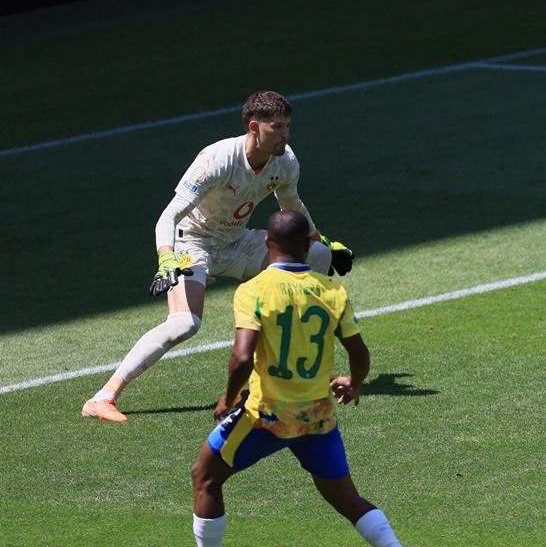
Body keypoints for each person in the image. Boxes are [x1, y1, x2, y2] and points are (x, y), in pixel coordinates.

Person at [168, 210, 429, 547]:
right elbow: (359, 353)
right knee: (347, 498)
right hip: (317, 416)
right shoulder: (332, 291)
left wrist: (229, 397)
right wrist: (355, 383)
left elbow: (241, 358)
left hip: (265, 416)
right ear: (309, 244)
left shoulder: (254, 290)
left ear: (267, 244)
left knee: (205, 475)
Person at [82, 90, 354, 423]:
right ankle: (102, 398)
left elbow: (292, 206)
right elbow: (169, 216)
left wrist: (322, 239)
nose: (285, 134)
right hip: (191, 244)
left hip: (236, 242)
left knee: (317, 256)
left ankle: (284, 370)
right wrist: (166, 259)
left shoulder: (284, 161)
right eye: (277, 127)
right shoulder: (217, 160)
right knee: (185, 323)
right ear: (254, 127)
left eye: (287, 126)